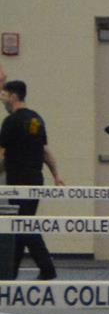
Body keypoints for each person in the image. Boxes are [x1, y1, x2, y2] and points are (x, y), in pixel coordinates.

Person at [0, 80, 62, 280]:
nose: (2, 101)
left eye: (3, 96)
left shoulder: (10, 122)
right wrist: (56, 174)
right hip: (36, 179)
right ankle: (9, 274)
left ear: (13, 96)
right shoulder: (37, 120)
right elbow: (44, 151)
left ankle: (47, 269)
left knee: (24, 226)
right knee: (20, 226)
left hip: (18, 182)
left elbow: (2, 155)